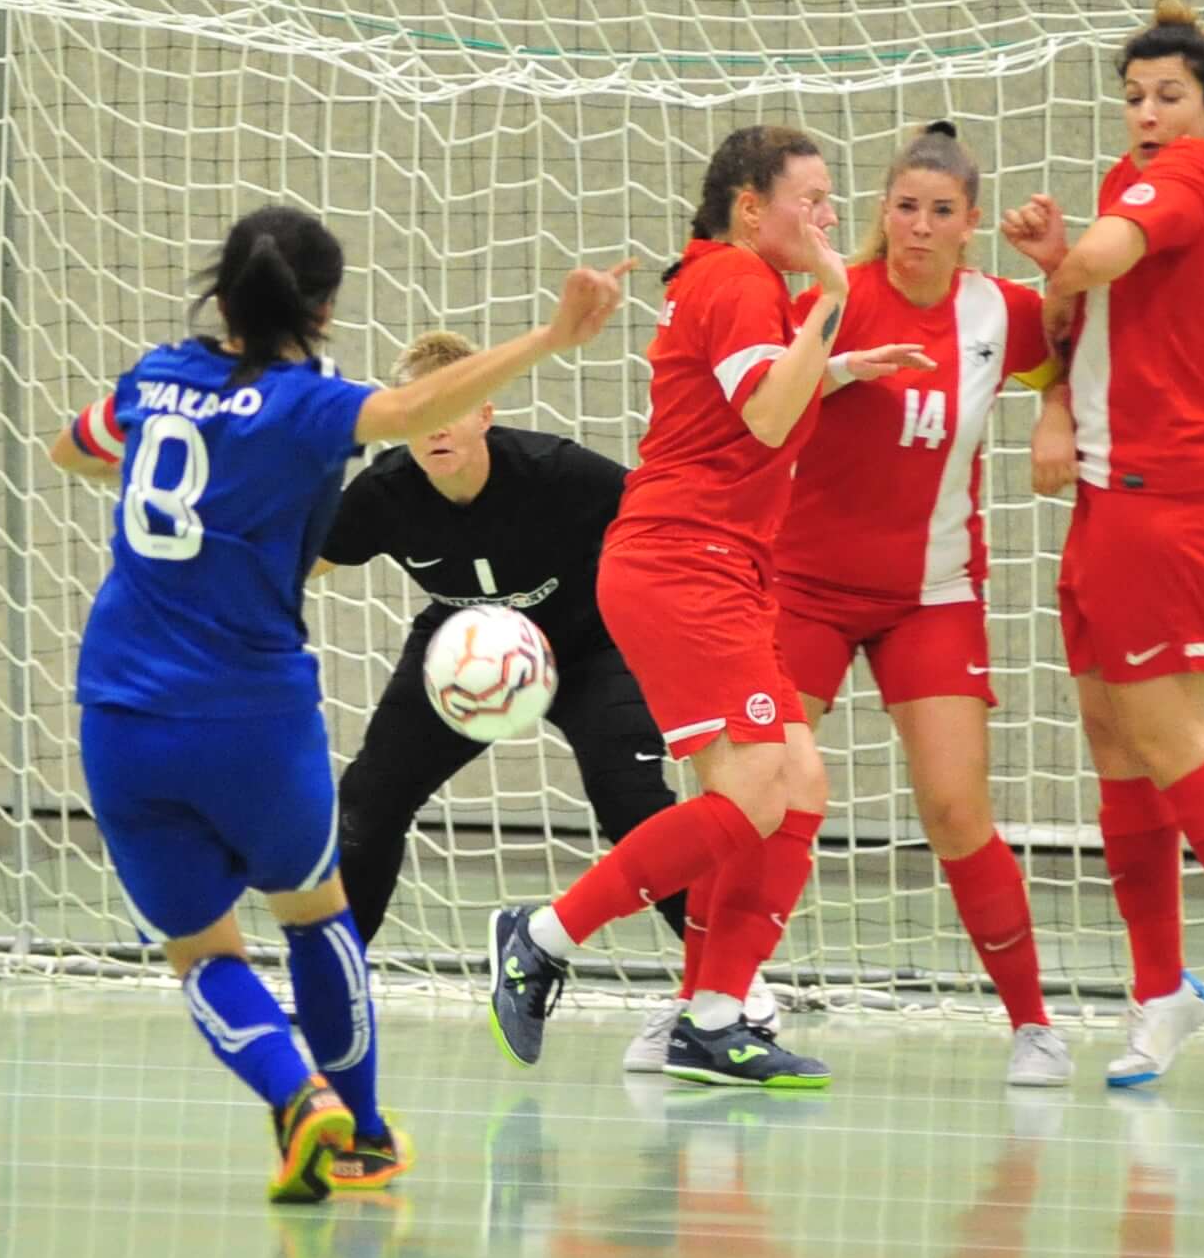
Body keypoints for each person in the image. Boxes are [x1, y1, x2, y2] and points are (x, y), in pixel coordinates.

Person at [63, 205, 628, 1204]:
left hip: (118, 709)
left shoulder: (149, 378)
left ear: (219, 292)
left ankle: (295, 1097)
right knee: (314, 913)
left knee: (200, 953)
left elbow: (75, 450)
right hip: (249, 716)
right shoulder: (309, 401)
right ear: (322, 309)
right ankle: (360, 1132)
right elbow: (411, 416)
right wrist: (550, 336)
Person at [481, 123, 931, 1090]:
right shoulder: (736, 281)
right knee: (760, 786)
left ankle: (714, 1014)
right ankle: (545, 934)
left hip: (716, 564)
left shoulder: (738, 286)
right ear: (751, 208)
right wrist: (837, 305)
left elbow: (743, 410)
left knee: (794, 784)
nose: (826, 216)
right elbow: (768, 412)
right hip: (684, 562)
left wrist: (841, 365)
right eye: (811, 199)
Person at [1001, 3, 1204, 1094]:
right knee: (1109, 739)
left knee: (1169, 734)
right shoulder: (1126, 177)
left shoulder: (1196, 176)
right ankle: (1163, 988)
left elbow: (1100, 261)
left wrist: (1064, 260)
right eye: (1134, 97)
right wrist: (1055, 402)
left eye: (1168, 97)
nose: (1147, 115)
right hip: (1107, 493)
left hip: (1173, 493)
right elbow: (1093, 306)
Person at [770, 123, 1073, 1088]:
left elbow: (1075, 348)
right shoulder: (834, 297)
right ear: (882, 211)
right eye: (905, 207)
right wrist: (837, 370)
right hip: (803, 587)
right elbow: (759, 403)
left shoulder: (999, 312)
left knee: (953, 807)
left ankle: (1032, 1024)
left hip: (931, 594)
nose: (920, 226)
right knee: (759, 800)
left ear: (970, 223)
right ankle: (709, 1003)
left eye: (941, 212)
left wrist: (1058, 410)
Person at [318, 332, 697, 1018]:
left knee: (631, 801)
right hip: (465, 655)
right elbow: (300, 569)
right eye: (417, 409)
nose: (435, 424)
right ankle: (334, 986)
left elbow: (667, 525)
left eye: (452, 404)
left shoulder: (558, 471)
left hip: (591, 647)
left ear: (484, 412)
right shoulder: (383, 494)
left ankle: (725, 991)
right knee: (369, 797)